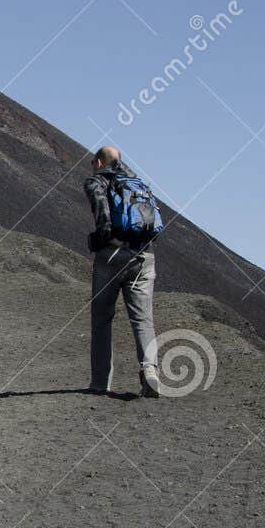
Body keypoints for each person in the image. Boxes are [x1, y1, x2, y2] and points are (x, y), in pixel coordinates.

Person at [83, 146, 161, 397]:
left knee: (102, 318)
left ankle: (100, 382)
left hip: (112, 256)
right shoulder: (138, 184)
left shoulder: (97, 182)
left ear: (98, 162)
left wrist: (99, 241)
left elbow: (103, 220)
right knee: (143, 318)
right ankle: (150, 370)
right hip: (144, 256)